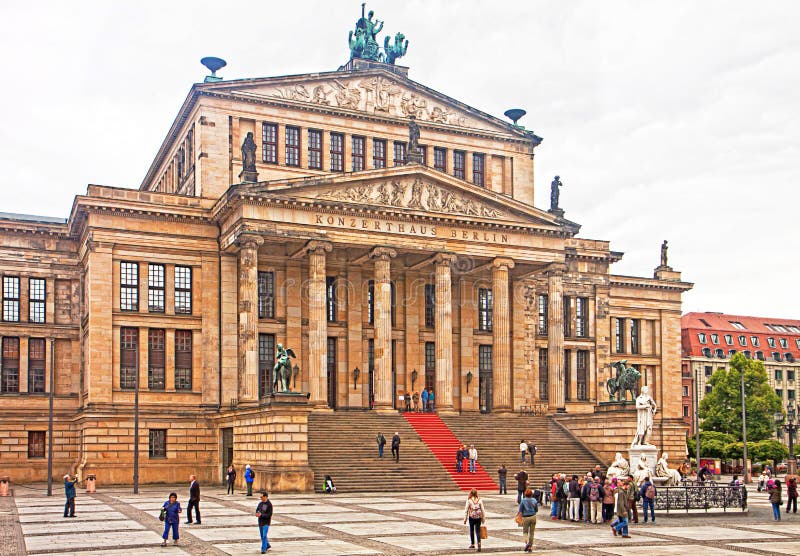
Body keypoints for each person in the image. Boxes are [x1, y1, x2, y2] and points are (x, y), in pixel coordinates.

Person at [518, 488, 538, 553]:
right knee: (532, 532)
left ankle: (527, 543)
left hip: (525, 517)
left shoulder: (523, 501)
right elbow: (536, 509)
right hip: (533, 517)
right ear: (531, 494)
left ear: (525, 494)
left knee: (525, 531)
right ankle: (530, 546)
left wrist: (519, 518)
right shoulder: (534, 500)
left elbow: (520, 511)